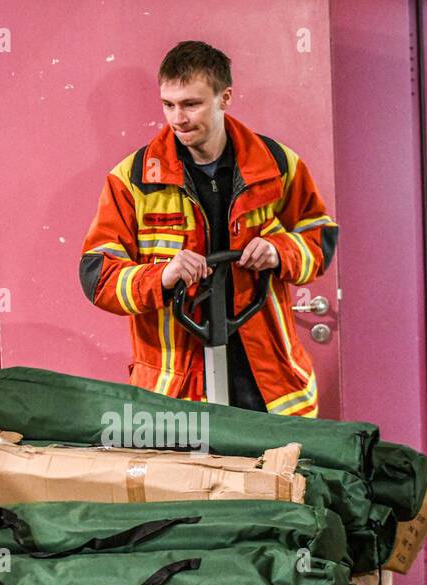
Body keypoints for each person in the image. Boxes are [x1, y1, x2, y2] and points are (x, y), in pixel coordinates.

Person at [79, 40, 338, 417]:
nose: (177, 119)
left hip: (268, 382)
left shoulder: (277, 165)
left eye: (190, 104)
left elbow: (320, 237)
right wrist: (161, 276)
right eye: (168, 104)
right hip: (177, 388)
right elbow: (97, 275)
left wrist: (279, 251)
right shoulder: (131, 180)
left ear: (225, 97)